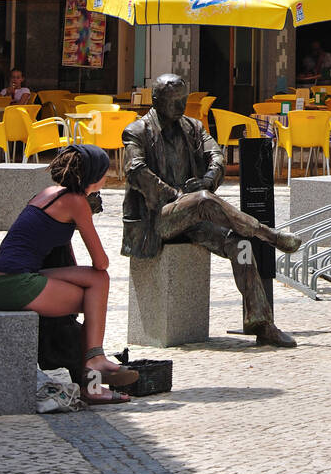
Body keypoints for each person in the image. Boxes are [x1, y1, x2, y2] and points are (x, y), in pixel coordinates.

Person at [121, 74, 301, 348]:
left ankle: (261, 323)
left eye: (183, 99)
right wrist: (179, 195)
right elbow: (135, 172)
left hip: (191, 218)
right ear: (156, 101)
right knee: (203, 200)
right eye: (173, 101)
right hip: (155, 220)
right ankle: (268, 234)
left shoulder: (193, 127)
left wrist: (206, 180)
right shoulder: (137, 131)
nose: (180, 106)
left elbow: (216, 155)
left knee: (239, 243)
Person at [0, 143, 136, 405]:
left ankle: (94, 364)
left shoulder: (49, 193)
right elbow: (101, 261)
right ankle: (94, 368)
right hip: (14, 285)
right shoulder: (76, 202)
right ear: (93, 176)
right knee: (96, 294)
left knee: (97, 285)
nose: (108, 175)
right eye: (106, 170)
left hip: (5, 279)